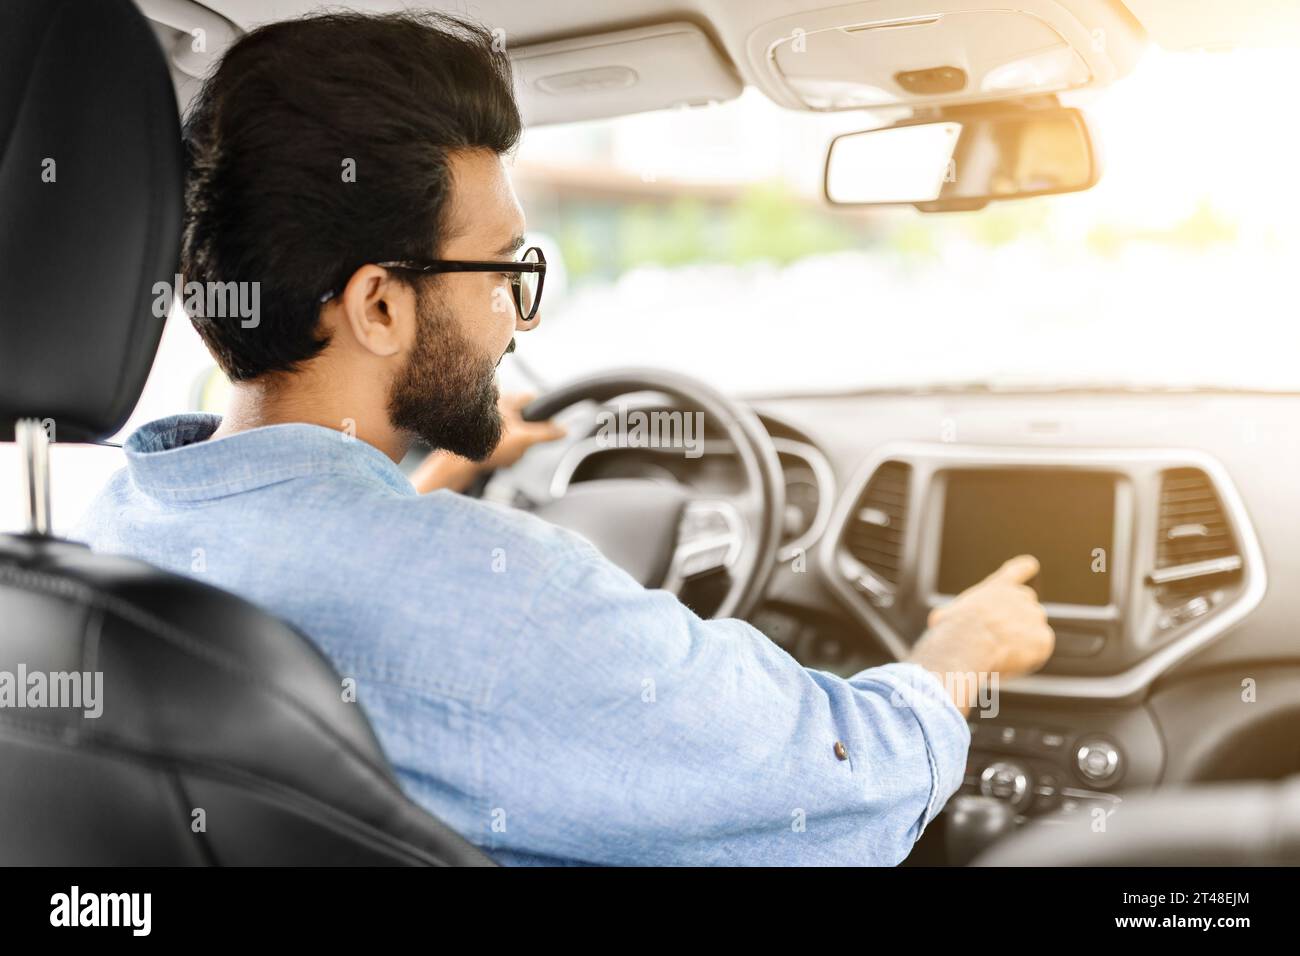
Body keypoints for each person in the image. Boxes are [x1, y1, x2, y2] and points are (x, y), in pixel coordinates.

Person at [74, 11, 1053, 865]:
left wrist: (439, 475)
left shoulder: (115, 528)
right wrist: (957, 651)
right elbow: (836, 781)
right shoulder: (502, 592)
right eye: (503, 269)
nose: (521, 320)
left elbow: (341, 577)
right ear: (378, 302)